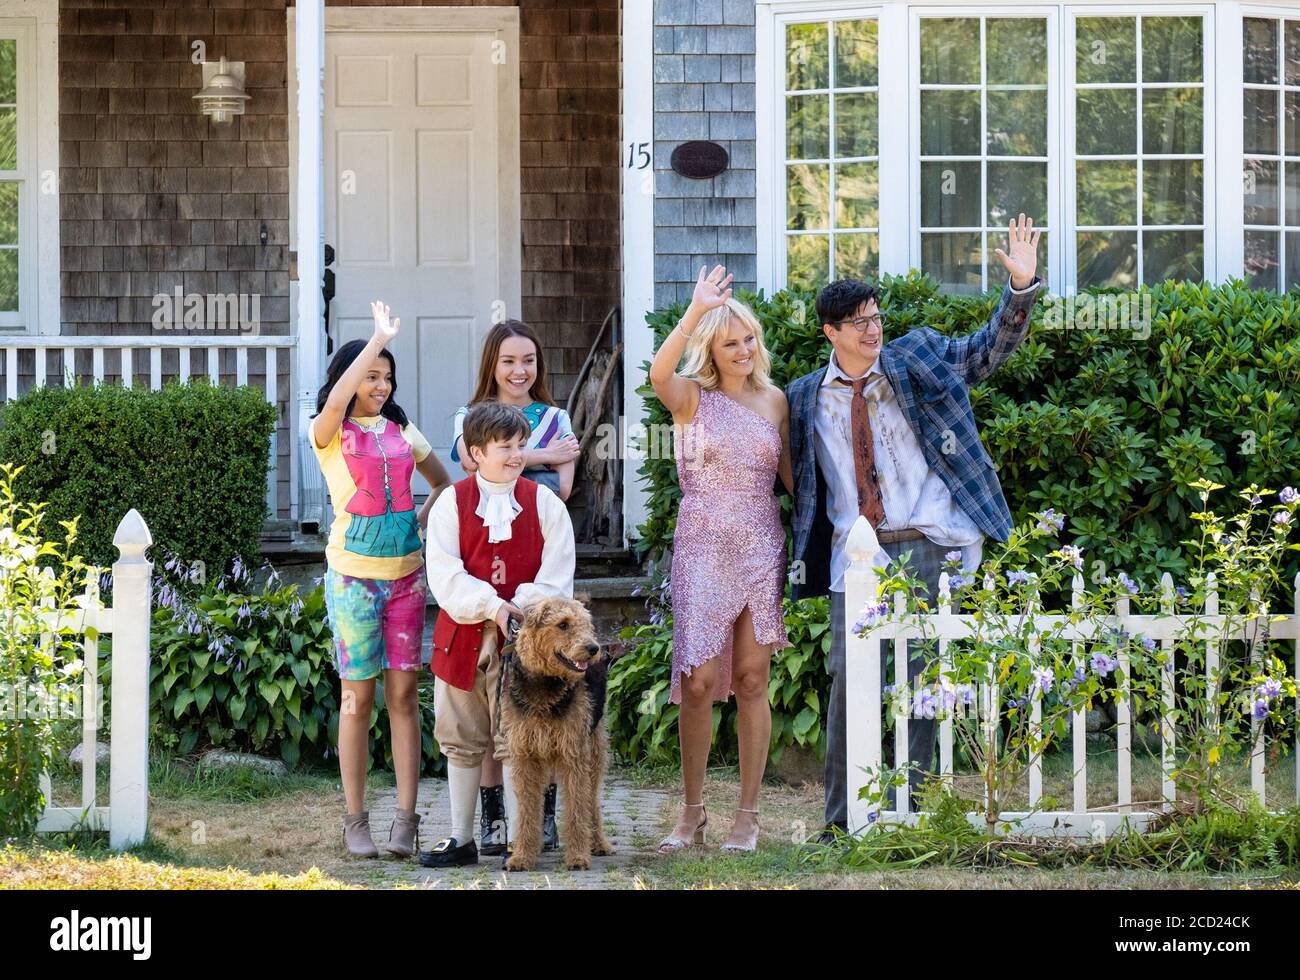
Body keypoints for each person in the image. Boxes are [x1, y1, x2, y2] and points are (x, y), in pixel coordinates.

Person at [787, 214, 1043, 843]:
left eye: (877, 317)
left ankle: (914, 812)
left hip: (928, 541)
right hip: (860, 556)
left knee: (922, 684)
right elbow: (794, 480)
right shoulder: (802, 397)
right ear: (831, 332)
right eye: (859, 323)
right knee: (851, 685)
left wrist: (1020, 290)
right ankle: (840, 820)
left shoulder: (918, 355)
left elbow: (988, 352)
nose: (874, 330)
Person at [649, 264, 792, 854]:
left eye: (748, 339)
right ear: (710, 348)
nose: (742, 349)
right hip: (703, 543)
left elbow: (793, 482)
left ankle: (748, 816)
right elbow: (660, 371)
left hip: (760, 538)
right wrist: (694, 311)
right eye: (729, 341)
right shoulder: (691, 400)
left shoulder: (776, 401)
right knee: (699, 679)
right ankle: (691, 814)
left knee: (753, 677)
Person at [311, 301, 451, 858]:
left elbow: (442, 481)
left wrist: (418, 518)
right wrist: (374, 342)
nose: (381, 384)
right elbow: (339, 396)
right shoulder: (328, 430)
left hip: (406, 581)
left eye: (387, 376)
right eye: (372, 374)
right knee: (356, 699)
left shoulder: (401, 428)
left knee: (403, 698)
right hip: (352, 580)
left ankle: (407, 819)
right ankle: (355, 820)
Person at [419, 401, 576, 867]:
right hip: (463, 636)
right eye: (505, 447)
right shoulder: (451, 502)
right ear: (475, 452)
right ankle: (461, 837)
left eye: (520, 446)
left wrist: (518, 606)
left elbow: (558, 575)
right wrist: (492, 605)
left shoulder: (544, 503)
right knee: (461, 735)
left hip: (525, 643)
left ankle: (519, 841)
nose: (515, 456)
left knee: (519, 740)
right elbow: (443, 574)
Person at [448, 319, 580, 852]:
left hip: (538, 569)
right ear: (492, 365)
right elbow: (465, 462)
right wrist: (544, 457)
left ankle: (541, 816)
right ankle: (493, 818)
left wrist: (522, 462)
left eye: (528, 360)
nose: (519, 370)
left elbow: (564, 489)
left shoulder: (554, 417)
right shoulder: (469, 416)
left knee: (539, 702)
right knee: (487, 706)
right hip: (483, 573)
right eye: (508, 361)